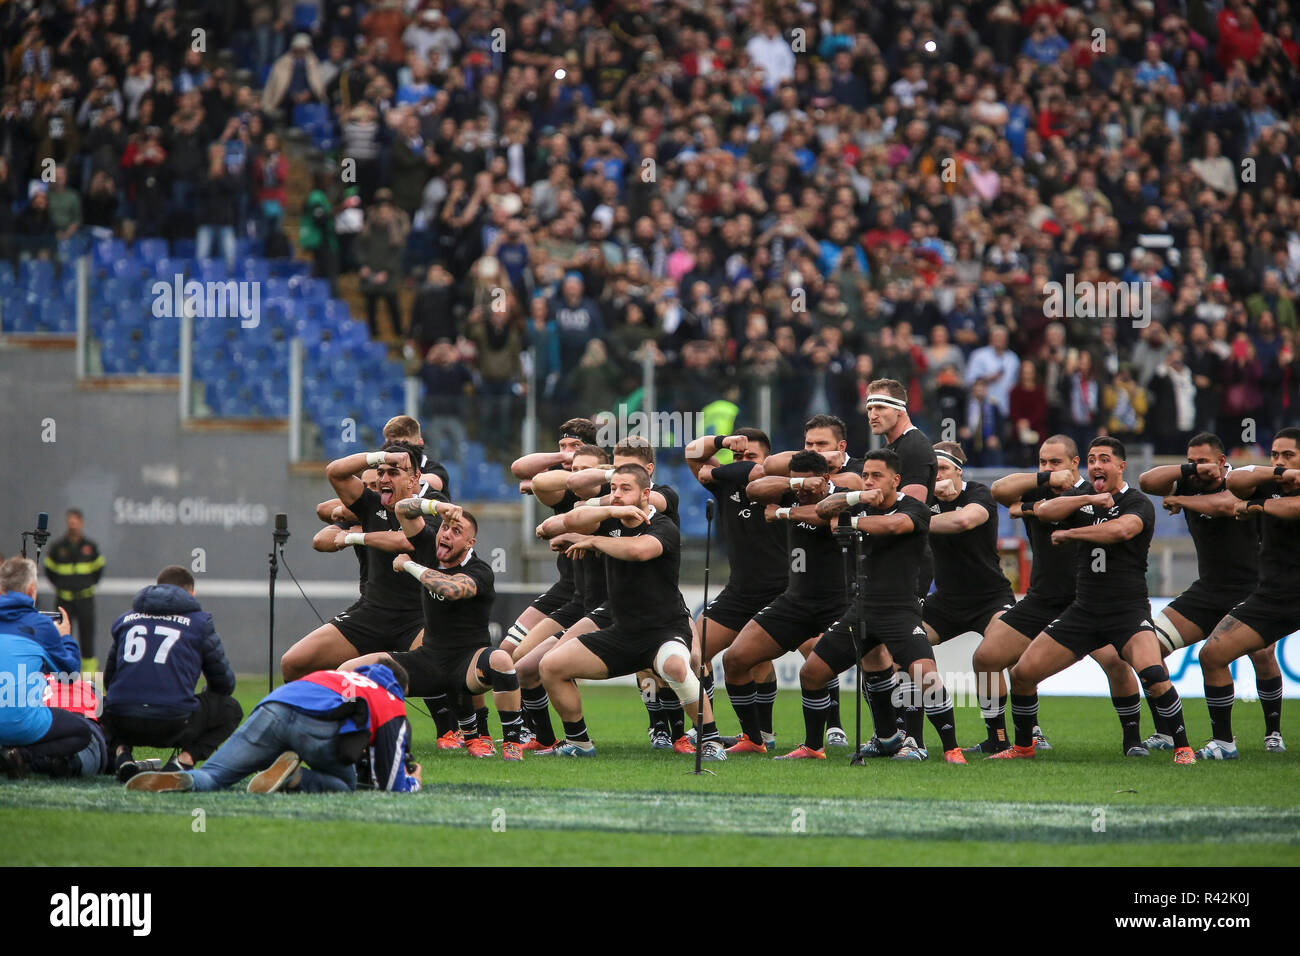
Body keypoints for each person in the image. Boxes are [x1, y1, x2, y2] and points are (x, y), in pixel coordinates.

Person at [994, 438, 1196, 765]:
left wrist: (1073, 533)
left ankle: (1182, 747)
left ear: (1121, 466)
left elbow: (1120, 531)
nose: (1097, 465)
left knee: (1154, 676)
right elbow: (1046, 511)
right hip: (1084, 610)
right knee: (1022, 673)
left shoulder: (1137, 502)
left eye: (1105, 459)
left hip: (1127, 611)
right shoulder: (1084, 498)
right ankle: (1023, 746)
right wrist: (1085, 498)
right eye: (1092, 459)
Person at [537, 464, 726, 760]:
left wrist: (593, 540)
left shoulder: (663, 525)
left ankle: (710, 740)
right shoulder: (610, 519)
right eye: (613, 488)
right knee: (550, 666)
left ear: (646, 494)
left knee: (677, 668)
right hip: (622, 633)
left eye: (626, 489)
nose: (617, 494)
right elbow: (559, 524)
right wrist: (608, 513)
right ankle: (579, 743)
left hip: (664, 631)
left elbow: (639, 550)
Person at [980, 436, 1145, 755]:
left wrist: (1027, 509)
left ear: (1074, 464)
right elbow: (999, 490)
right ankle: (998, 736)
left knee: (1116, 663)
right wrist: (1044, 480)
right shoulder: (1037, 489)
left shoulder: (1094, 494)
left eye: (1055, 463)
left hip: (1087, 601)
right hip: (1041, 598)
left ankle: (1134, 739)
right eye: (1042, 462)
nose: (1047, 468)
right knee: (986, 658)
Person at [805, 449, 966, 763]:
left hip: (900, 610)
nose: (869, 481)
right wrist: (854, 499)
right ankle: (816, 747)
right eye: (865, 475)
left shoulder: (916, 508)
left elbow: (894, 526)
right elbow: (824, 510)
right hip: (861, 608)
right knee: (811, 673)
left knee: (925, 674)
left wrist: (855, 522)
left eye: (876, 476)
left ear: (896, 480)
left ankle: (951, 748)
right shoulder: (859, 503)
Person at [1138, 432, 1285, 753]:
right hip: (1207, 592)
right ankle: (1166, 732)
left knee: (1262, 655)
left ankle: (1272, 733)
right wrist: (1188, 473)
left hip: (1252, 590)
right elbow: (1147, 482)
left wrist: (1180, 500)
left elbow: (1226, 505)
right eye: (1190, 462)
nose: (1196, 468)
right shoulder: (1190, 481)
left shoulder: (1240, 482)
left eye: (1202, 461)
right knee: (1147, 651)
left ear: (1221, 462)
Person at [344, 500, 524, 761]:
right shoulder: (429, 544)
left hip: (468, 663)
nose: (447, 534)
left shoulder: (480, 570)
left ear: (469, 544)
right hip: (430, 660)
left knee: (501, 659)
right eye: (445, 528)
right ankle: (353, 739)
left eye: (457, 531)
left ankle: (512, 744)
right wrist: (436, 507)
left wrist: (408, 564)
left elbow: (450, 589)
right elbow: (402, 509)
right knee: (349, 671)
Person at [127, 660, 421, 793]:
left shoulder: (336, 676)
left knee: (214, 775)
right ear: (399, 688)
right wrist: (413, 780)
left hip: (274, 707)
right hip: (318, 728)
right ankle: (295, 779)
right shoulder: (391, 699)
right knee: (346, 784)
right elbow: (391, 783)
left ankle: (186, 780)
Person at [721, 450, 850, 753]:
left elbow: (828, 516)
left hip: (841, 602)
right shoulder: (791, 492)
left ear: (826, 478)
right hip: (796, 601)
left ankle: (884, 737)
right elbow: (753, 489)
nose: (804, 492)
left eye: (810, 485)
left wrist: (783, 512)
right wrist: (796, 486)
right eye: (797, 485)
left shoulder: (843, 495)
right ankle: (754, 739)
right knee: (735, 659)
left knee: (834, 668)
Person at [281, 443, 444, 679]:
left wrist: (355, 537)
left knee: (442, 673)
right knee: (294, 663)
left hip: (419, 615)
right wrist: (382, 456)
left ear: (414, 478)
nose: (383, 479)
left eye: (393, 472)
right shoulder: (371, 504)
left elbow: (408, 541)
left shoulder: (432, 503)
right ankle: (319, 716)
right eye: (381, 472)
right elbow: (334, 472)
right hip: (372, 612)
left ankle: (471, 717)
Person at [1196, 428, 1300, 760]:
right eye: (1274, 455)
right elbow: (1236, 480)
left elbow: (1292, 510)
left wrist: (1255, 506)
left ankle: (1273, 733)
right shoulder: (1271, 481)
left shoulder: (1268, 497)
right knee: (1211, 655)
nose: (1278, 461)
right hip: (1273, 596)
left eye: (1288, 455)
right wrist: (1282, 474)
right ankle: (1225, 743)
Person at [684, 427, 789, 749]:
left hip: (786, 592)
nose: (742, 463)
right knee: (694, 652)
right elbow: (691, 453)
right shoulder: (725, 484)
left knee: (815, 661)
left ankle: (834, 731)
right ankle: (709, 730)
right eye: (737, 457)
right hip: (740, 592)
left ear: (768, 460)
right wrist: (722, 443)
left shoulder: (784, 489)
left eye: (751, 457)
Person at [104, 566, 243, 780]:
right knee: (230, 709)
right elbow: (224, 684)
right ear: (191, 593)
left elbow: (108, 680)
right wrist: (206, 694)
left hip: (123, 721)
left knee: (95, 702)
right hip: (174, 723)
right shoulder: (199, 622)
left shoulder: (125, 620)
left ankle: (122, 754)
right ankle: (183, 761)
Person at [922, 443, 1016, 652]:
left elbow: (963, 521)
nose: (937, 475)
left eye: (943, 468)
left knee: (994, 654)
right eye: (933, 470)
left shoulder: (978, 492)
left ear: (959, 470)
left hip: (991, 599)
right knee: (900, 647)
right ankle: (933, 686)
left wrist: (913, 522)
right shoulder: (924, 501)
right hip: (946, 601)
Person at [0, 557, 88, 779]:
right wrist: (65, 637)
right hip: (22, 722)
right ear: (31, 590)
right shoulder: (41, 625)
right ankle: (21, 755)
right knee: (81, 732)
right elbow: (69, 675)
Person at [865, 379, 938, 597]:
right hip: (891, 558)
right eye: (869, 408)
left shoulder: (913, 447)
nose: (872, 415)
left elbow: (909, 513)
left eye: (880, 407)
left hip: (907, 564)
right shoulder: (893, 446)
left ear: (900, 410)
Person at [43, 508, 105, 663]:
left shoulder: (90, 547)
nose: (73, 525)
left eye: (76, 522)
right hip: (64, 600)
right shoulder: (57, 547)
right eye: (70, 522)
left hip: (85, 599)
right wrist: (62, 586)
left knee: (87, 640)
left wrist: (86, 585)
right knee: (62, 637)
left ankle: (89, 679)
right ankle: (63, 674)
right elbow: (49, 570)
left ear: (81, 523)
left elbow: (99, 570)